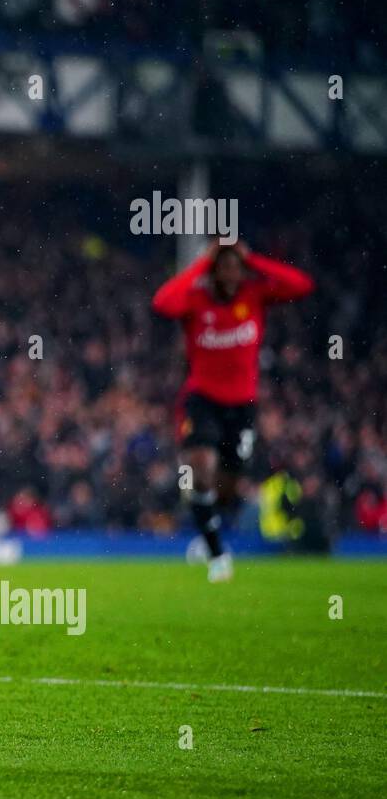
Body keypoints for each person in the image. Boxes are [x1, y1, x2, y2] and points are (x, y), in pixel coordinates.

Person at [151, 240, 314, 581]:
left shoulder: (253, 296)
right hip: (202, 399)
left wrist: (253, 258)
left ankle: (205, 525)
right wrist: (200, 264)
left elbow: (301, 285)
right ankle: (216, 553)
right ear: (213, 270)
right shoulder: (196, 301)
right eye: (222, 266)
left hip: (242, 407)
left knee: (226, 487)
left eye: (234, 266)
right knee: (201, 468)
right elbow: (162, 302)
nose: (229, 272)